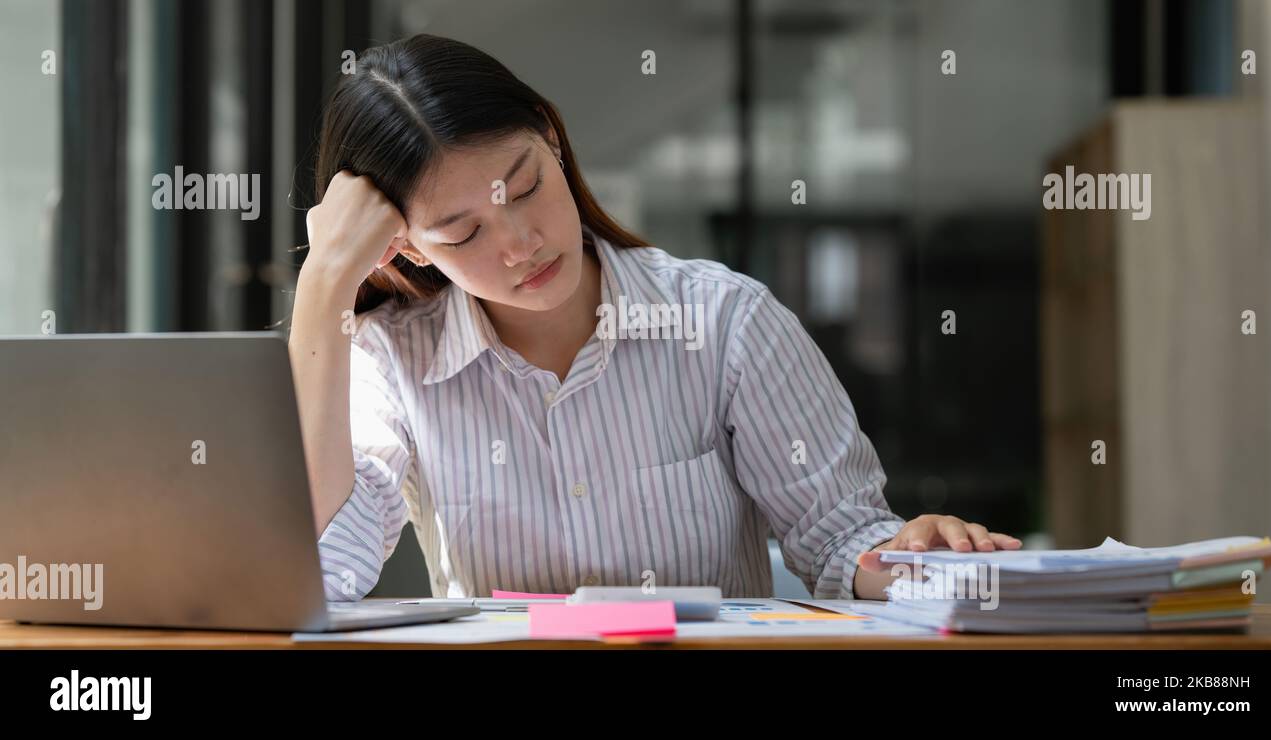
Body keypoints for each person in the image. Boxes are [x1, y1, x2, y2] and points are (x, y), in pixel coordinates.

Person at [288, 34, 1021, 602]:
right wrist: (323, 289)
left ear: (552, 137)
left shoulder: (728, 322)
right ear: (404, 249)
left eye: (525, 186)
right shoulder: (390, 363)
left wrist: (908, 560)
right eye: (463, 234)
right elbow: (321, 568)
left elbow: (841, 540)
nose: (520, 244)